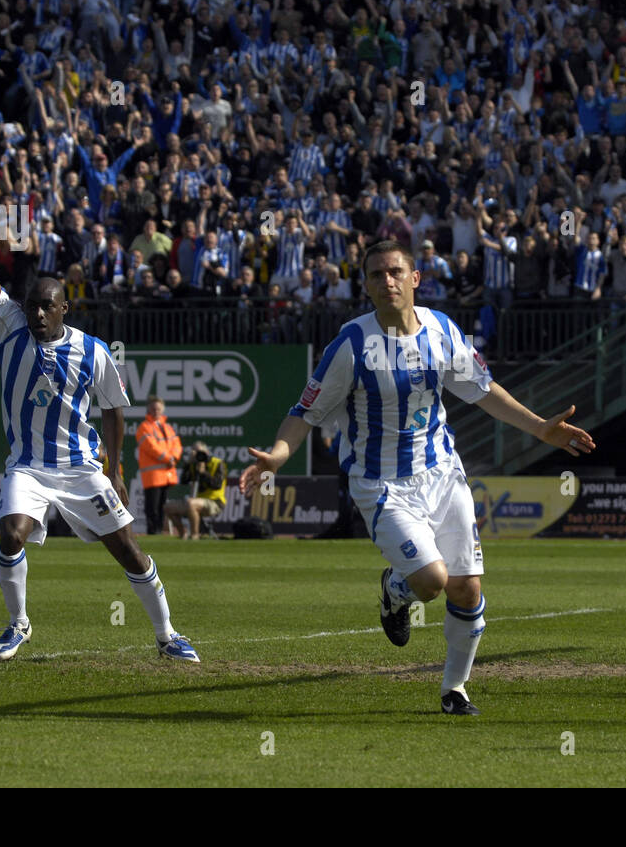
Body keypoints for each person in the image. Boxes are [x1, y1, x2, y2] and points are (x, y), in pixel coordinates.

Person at [238, 240, 596, 716]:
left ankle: (454, 689)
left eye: (394, 272)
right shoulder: (350, 344)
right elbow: (305, 411)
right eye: (375, 275)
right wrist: (278, 456)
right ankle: (394, 590)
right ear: (365, 285)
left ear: (414, 278)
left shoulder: (442, 330)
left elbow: (483, 391)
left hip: (443, 474)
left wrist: (538, 427)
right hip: (381, 483)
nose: (386, 281)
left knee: (467, 588)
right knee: (431, 581)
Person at [0, 178, 197, 664]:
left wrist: (116, 468)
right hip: (27, 466)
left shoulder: (94, 350)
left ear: (65, 306)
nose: (38, 313)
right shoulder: (10, 327)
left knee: (127, 549)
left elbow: (113, 409)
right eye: (32, 306)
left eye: (48, 305)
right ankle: (18, 623)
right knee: (10, 532)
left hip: (81, 467)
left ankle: (167, 635)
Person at [136, 396, 182, 536]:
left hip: (166, 474)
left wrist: (174, 458)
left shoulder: (167, 427)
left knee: (162, 506)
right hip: (153, 475)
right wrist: (168, 458)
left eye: (158, 408)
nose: (156, 411)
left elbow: (177, 445)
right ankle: (152, 531)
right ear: (149, 409)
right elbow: (151, 447)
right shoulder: (144, 427)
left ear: (162, 409)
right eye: (153, 408)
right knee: (152, 506)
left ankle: (159, 531)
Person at [165, 442, 227, 539]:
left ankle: (195, 536)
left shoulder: (217, 463)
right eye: (195, 452)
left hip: (215, 502)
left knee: (191, 503)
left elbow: (217, 485)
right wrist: (188, 464)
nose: (198, 455)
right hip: (195, 501)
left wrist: (203, 473)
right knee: (168, 507)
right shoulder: (193, 465)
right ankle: (183, 534)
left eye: (200, 452)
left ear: (206, 452)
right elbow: (184, 481)